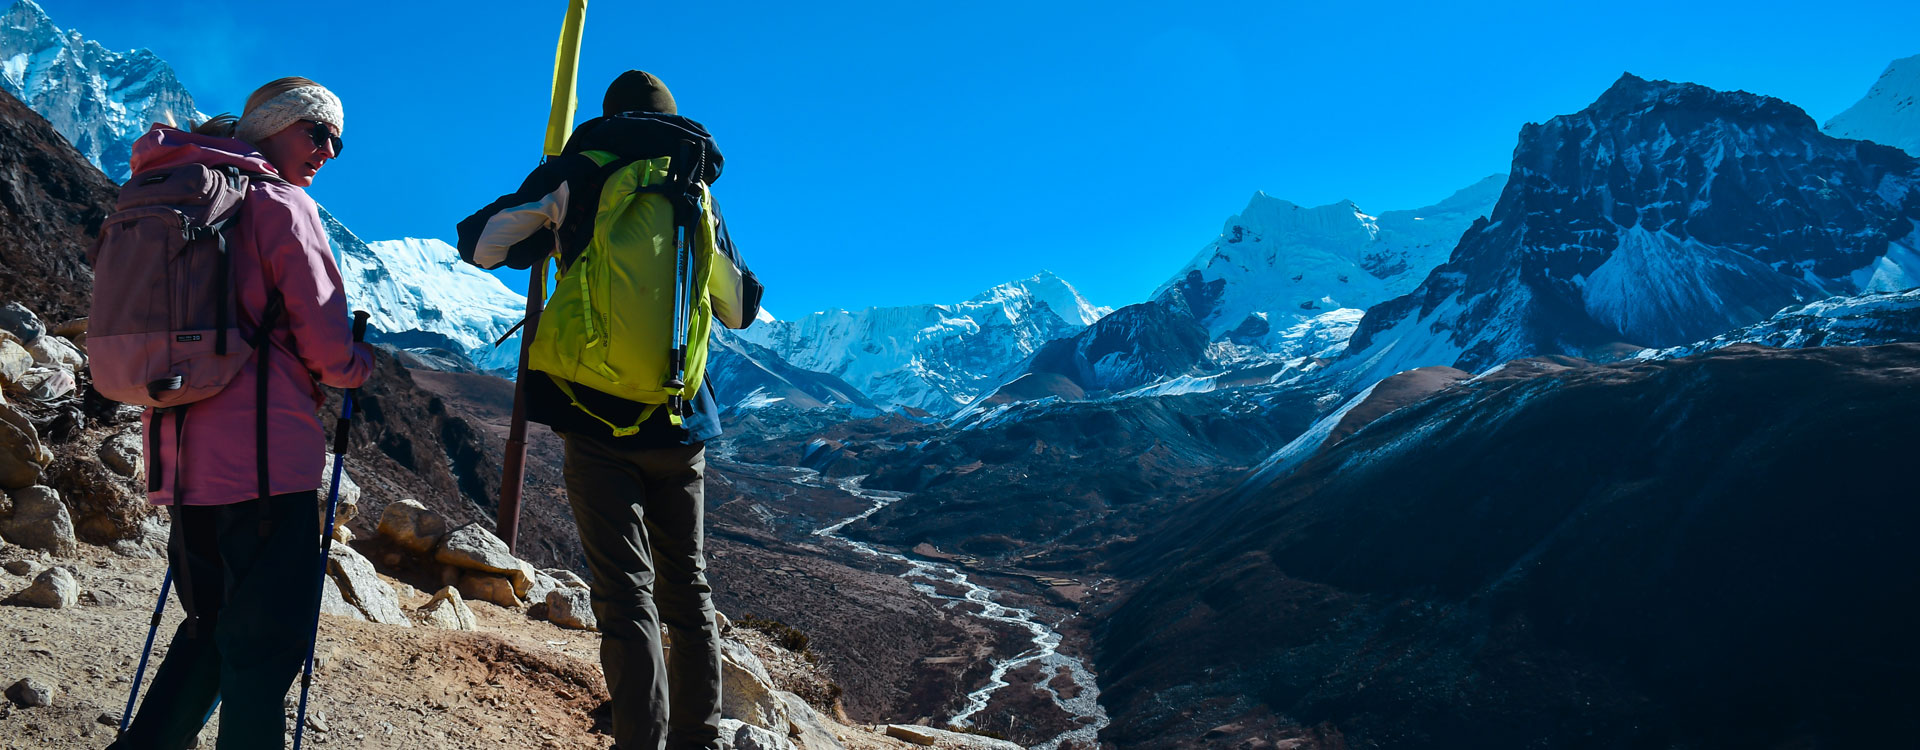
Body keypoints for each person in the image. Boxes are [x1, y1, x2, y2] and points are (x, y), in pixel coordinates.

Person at [456, 70, 762, 750]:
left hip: (594, 416)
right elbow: (740, 309)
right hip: (680, 419)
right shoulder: (697, 190)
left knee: (626, 596)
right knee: (688, 589)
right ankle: (700, 738)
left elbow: (480, 246)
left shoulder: (579, 171)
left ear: (608, 117)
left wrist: (549, 220)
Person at [108, 77, 373, 749]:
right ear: (273, 125)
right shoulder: (281, 206)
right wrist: (357, 366)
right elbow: (329, 350)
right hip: (264, 468)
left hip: (180, 462)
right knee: (265, 646)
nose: (328, 152)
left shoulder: (180, 193)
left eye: (338, 142)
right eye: (318, 132)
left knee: (210, 629)